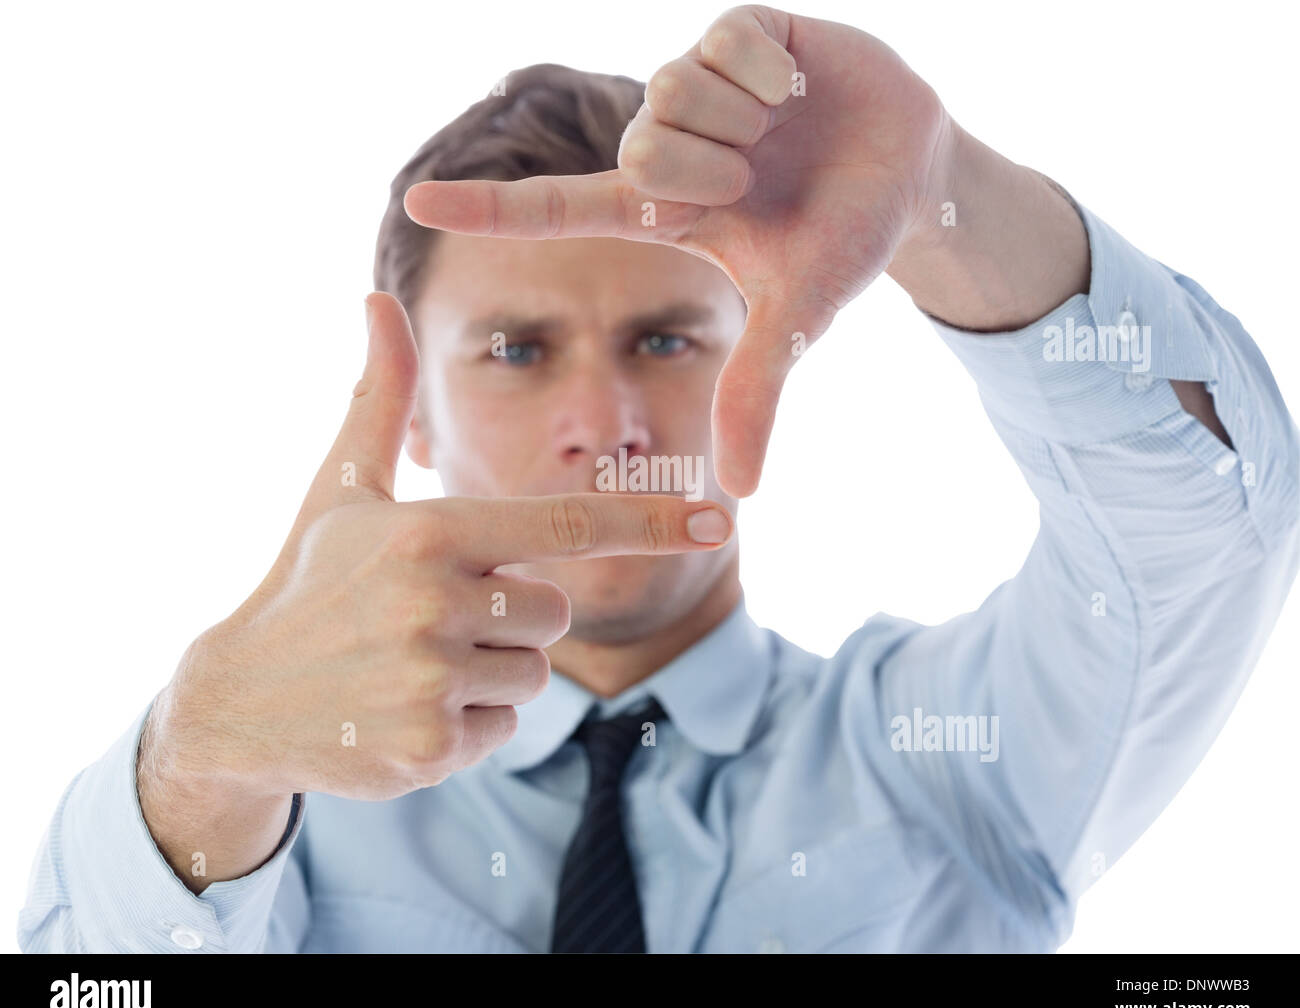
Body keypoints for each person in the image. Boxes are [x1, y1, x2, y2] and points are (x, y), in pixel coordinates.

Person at [19, 5, 1298, 954]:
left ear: (764, 343)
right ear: (410, 406)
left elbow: (1203, 528)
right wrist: (195, 761)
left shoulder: (949, 766)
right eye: (518, 349)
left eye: (666, 339)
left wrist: (949, 197)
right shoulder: (277, 825)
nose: (607, 420)